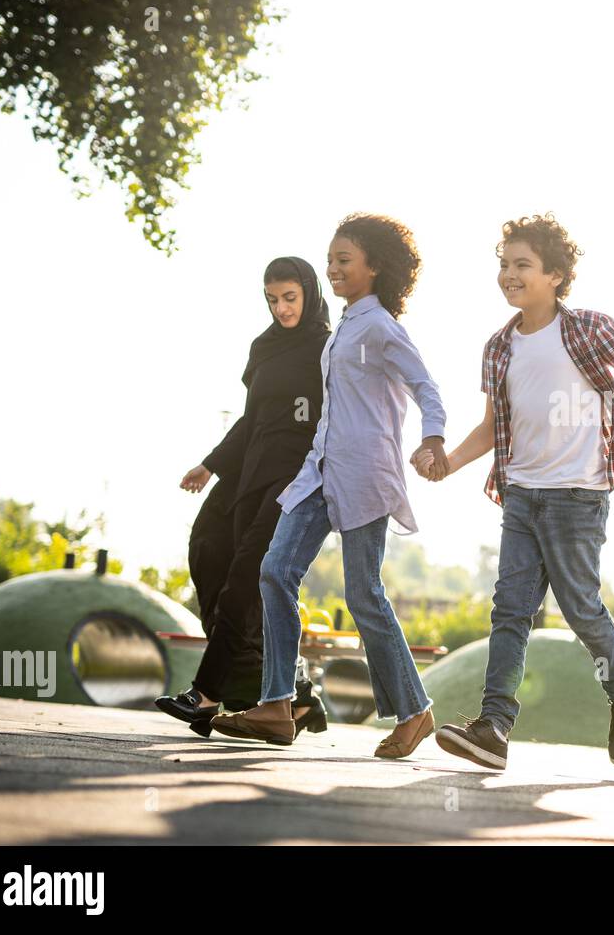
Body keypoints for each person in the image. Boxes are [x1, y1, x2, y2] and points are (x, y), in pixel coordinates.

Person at [412, 214, 614, 771]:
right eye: (504, 265)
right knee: (509, 612)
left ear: (556, 276)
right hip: (520, 496)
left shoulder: (588, 329)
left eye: (523, 265)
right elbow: (493, 425)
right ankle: (493, 727)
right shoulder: (498, 347)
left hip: (577, 499)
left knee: (583, 611)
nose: (509, 275)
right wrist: (449, 464)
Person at [211, 213, 447, 759]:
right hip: (319, 470)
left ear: (374, 266)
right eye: (331, 260)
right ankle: (275, 705)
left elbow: (427, 388)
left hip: (364, 473)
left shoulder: (382, 327)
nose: (333, 268)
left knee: (363, 594)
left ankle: (416, 711)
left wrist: (432, 441)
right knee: (274, 570)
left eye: (344, 260)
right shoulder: (343, 327)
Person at [158, 256, 332, 738]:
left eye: (290, 298)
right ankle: (287, 696)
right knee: (210, 549)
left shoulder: (328, 348)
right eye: (272, 299)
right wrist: (210, 464)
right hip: (249, 471)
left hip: (294, 478)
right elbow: (250, 420)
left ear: (310, 293)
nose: (281, 308)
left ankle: (206, 694)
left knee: (249, 574)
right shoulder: (264, 347)